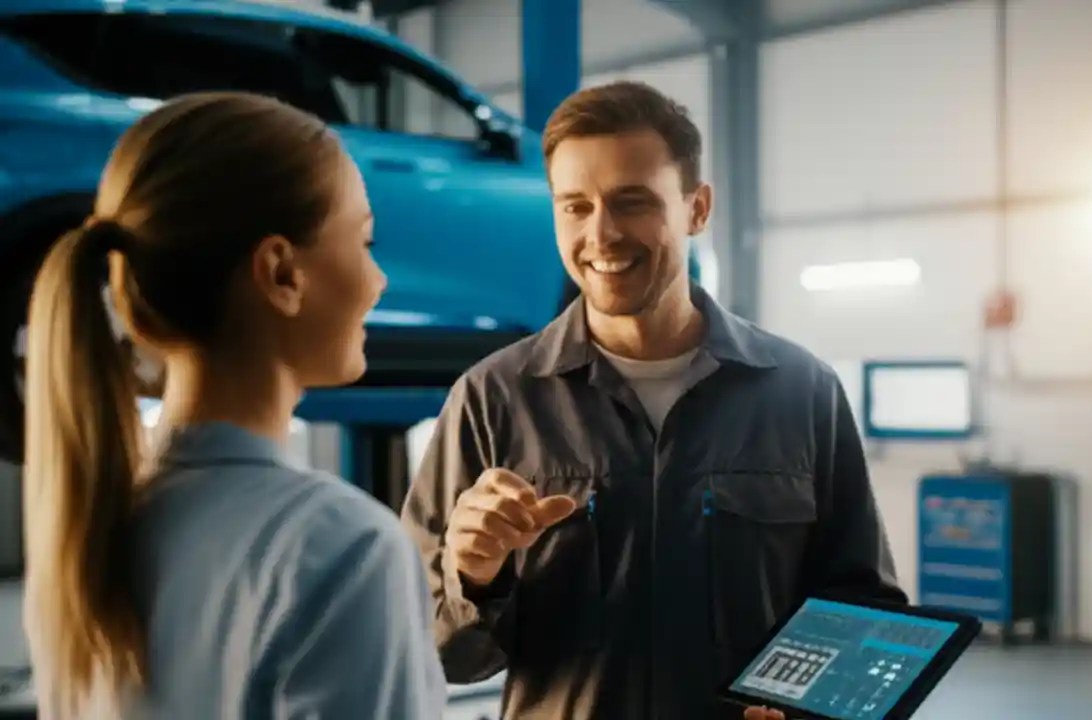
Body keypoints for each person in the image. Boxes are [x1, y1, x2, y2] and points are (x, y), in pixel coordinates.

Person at [402, 80, 906, 719]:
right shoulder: (492, 399)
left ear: (697, 208)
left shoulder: (801, 393)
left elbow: (863, 613)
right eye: (574, 206)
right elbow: (436, 653)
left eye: (631, 201)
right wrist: (474, 576)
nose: (601, 234)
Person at [21, 92, 446, 719]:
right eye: (364, 242)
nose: (378, 280)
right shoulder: (342, 549)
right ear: (281, 273)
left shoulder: (85, 535)